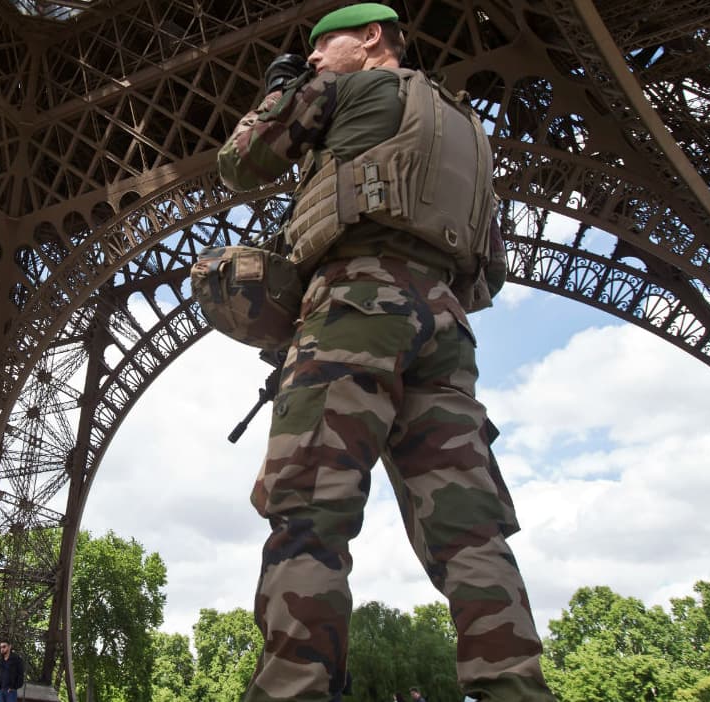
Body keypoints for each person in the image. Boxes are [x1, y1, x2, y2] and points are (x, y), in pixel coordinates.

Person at [216, 4, 554, 701]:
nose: (312, 57)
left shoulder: (346, 89)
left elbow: (241, 163)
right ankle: (514, 689)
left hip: (356, 306)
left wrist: (278, 91)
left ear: (370, 37)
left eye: (321, 45)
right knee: (469, 532)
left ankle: (294, 690)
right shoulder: (467, 131)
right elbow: (491, 266)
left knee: (308, 512)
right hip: (447, 327)